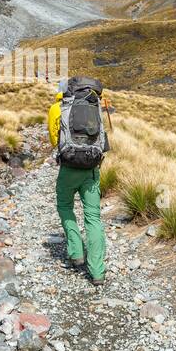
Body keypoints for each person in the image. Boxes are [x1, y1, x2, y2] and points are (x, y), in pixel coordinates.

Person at [47, 78, 107, 284]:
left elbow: (55, 140)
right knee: (93, 218)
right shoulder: (94, 105)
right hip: (91, 168)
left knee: (65, 206)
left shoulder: (58, 107)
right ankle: (98, 271)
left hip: (69, 167)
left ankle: (76, 252)